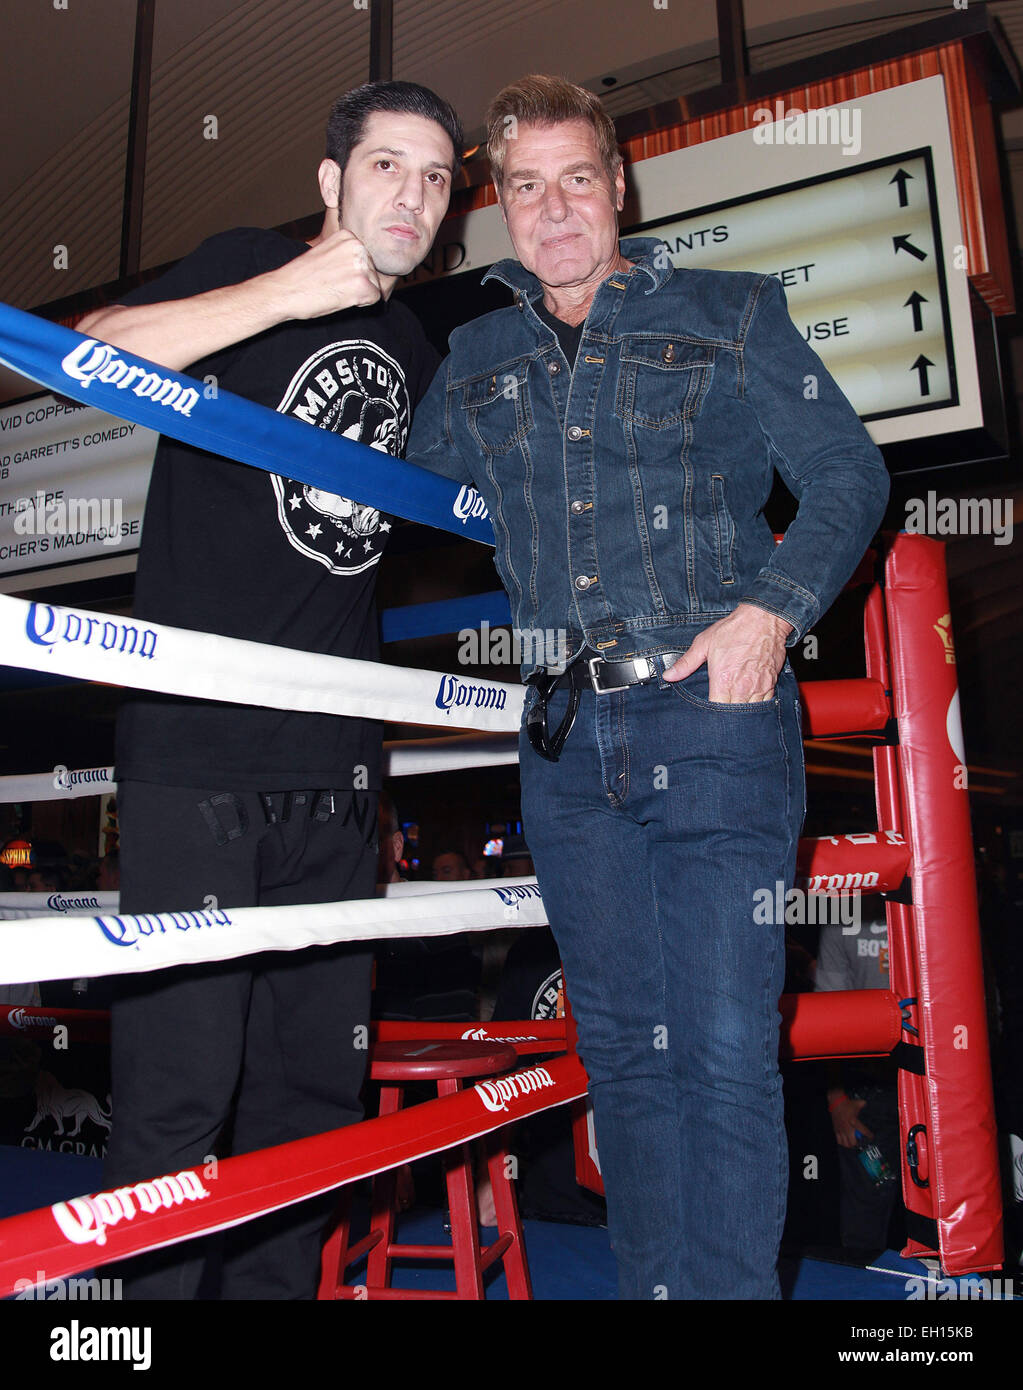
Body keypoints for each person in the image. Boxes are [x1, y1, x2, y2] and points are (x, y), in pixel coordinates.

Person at [405, 74, 890, 1299]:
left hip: (714, 718)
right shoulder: (473, 356)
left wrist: (771, 614)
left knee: (726, 1050)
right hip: (564, 738)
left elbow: (847, 475)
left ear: (618, 187)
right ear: (501, 209)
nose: (556, 210)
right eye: (527, 187)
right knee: (622, 1053)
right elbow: (378, 493)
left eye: (579, 179)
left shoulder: (730, 310)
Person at [76, 80, 463, 1300]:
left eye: (439, 176)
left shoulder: (420, 348)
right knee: (176, 1101)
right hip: (199, 757)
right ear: (330, 182)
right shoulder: (251, 262)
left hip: (339, 776)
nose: (413, 192)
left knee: (311, 1104)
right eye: (388, 165)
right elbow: (90, 354)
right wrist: (292, 291)